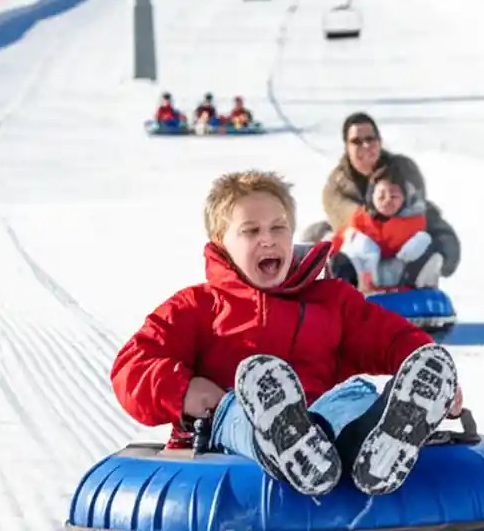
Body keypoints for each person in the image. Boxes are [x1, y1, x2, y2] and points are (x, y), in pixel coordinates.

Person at [110, 170, 463, 497]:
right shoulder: (200, 306)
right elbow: (133, 365)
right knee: (236, 410)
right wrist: (184, 391)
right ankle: (279, 441)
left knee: (354, 397)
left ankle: (372, 446)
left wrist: (429, 370)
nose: (268, 240)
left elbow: (390, 335)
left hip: (320, 422)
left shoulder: (331, 300)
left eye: (278, 228)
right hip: (232, 427)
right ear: (221, 242)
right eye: (251, 230)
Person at [304, 112, 460, 281]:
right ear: (346, 147)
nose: (365, 145)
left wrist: (443, 250)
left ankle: (422, 276)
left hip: (404, 237)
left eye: (370, 139)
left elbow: (417, 206)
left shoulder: (402, 168)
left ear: (379, 142)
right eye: (356, 141)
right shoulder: (336, 186)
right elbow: (346, 221)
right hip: (362, 245)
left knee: (434, 232)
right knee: (318, 237)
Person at [330, 164, 443, 294]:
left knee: (423, 242)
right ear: (372, 196)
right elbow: (342, 238)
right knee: (352, 246)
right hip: (364, 278)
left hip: (401, 279)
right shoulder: (361, 219)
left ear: (404, 198)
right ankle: (345, 290)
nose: (387, 201)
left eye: (394, 196)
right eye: (381, 196)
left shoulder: (413, 221)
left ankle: (422, 287)